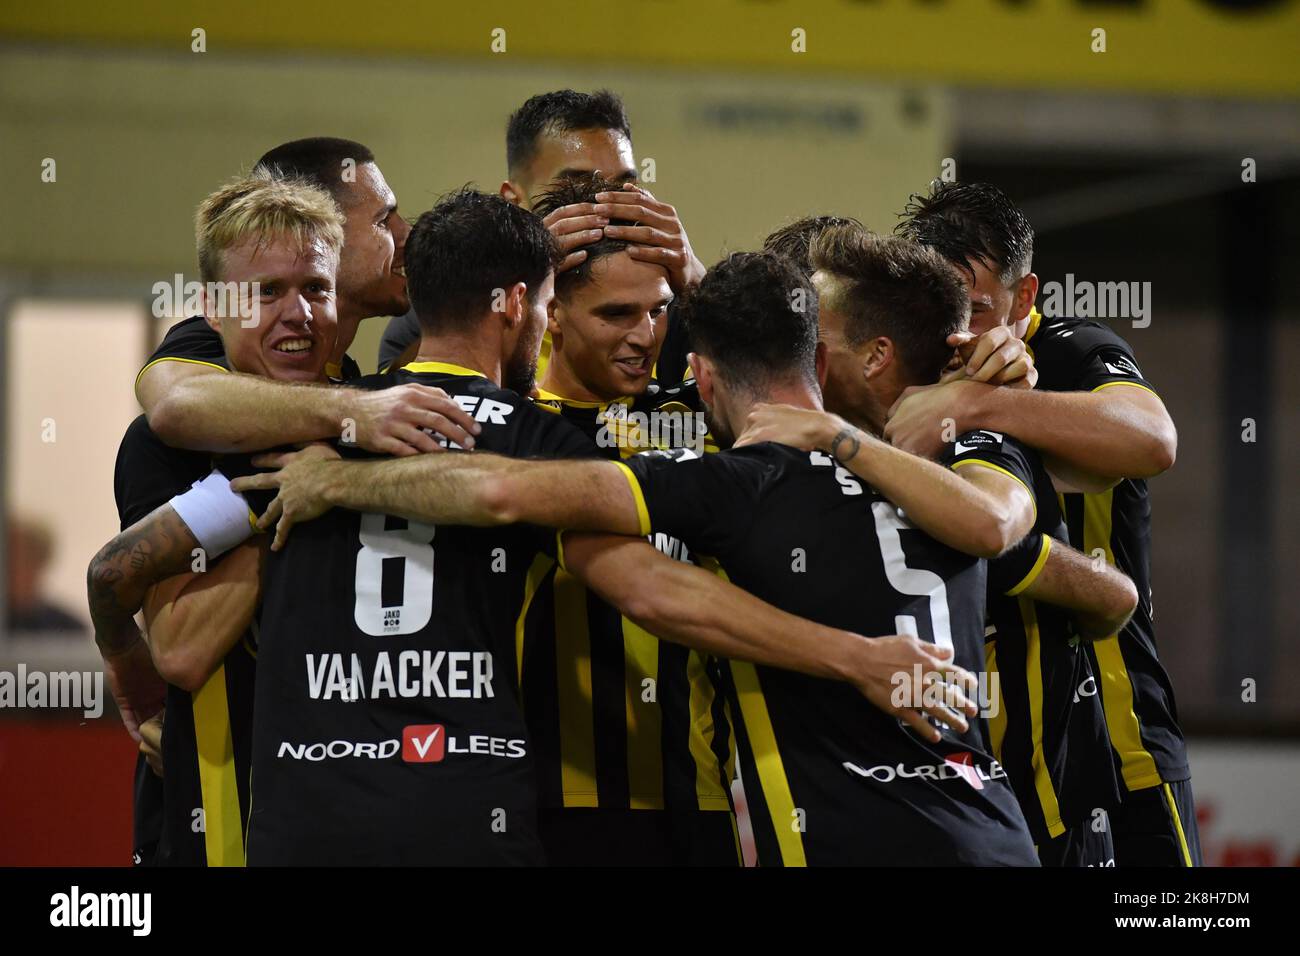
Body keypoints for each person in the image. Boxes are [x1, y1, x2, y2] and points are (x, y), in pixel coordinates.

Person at [236, 252, 1056, 866]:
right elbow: (1077, 572)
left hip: (851, 843)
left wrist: (343, 482)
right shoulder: (960, 466)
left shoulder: (733, 485)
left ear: (700, 379)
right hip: (999, 833)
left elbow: (502, 496)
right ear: (821, 363)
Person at [744, 224, 1136, 865]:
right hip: (885, 819)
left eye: (804, 332)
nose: (784, 353)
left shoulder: (970, 440)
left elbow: (1108, 590)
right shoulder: (781, 454)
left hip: (1038, 808)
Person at [892, 181, 1197, 866]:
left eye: (975, 308)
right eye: (935, 308)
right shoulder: (915, 366)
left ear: (1024, 298)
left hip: (1126, 743)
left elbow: (1155, 442)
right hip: (993, 754)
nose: (957, 331)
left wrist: (981, 406)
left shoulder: (1071, 349)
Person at [87, 173, 347, 865]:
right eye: (268, 293)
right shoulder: (162, 444)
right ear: (213, 307)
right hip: (211, 817)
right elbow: (181, 649)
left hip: (351, 806)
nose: (299, 314)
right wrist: (294, 488)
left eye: (316, 288)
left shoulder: (371, 416)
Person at [134, 137, 477, 458]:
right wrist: (357, 408)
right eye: (384, 221)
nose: (407, 235)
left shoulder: (341, 370)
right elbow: (173, 406)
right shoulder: (214, 336)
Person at [376, 90, 704, 384]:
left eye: (622, 184)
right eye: (576, 183)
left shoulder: (669, 305)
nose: (604, 199)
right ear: (514, 200)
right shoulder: (442, 306)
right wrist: (525, 270)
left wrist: (697, 280)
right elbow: (397, 402)